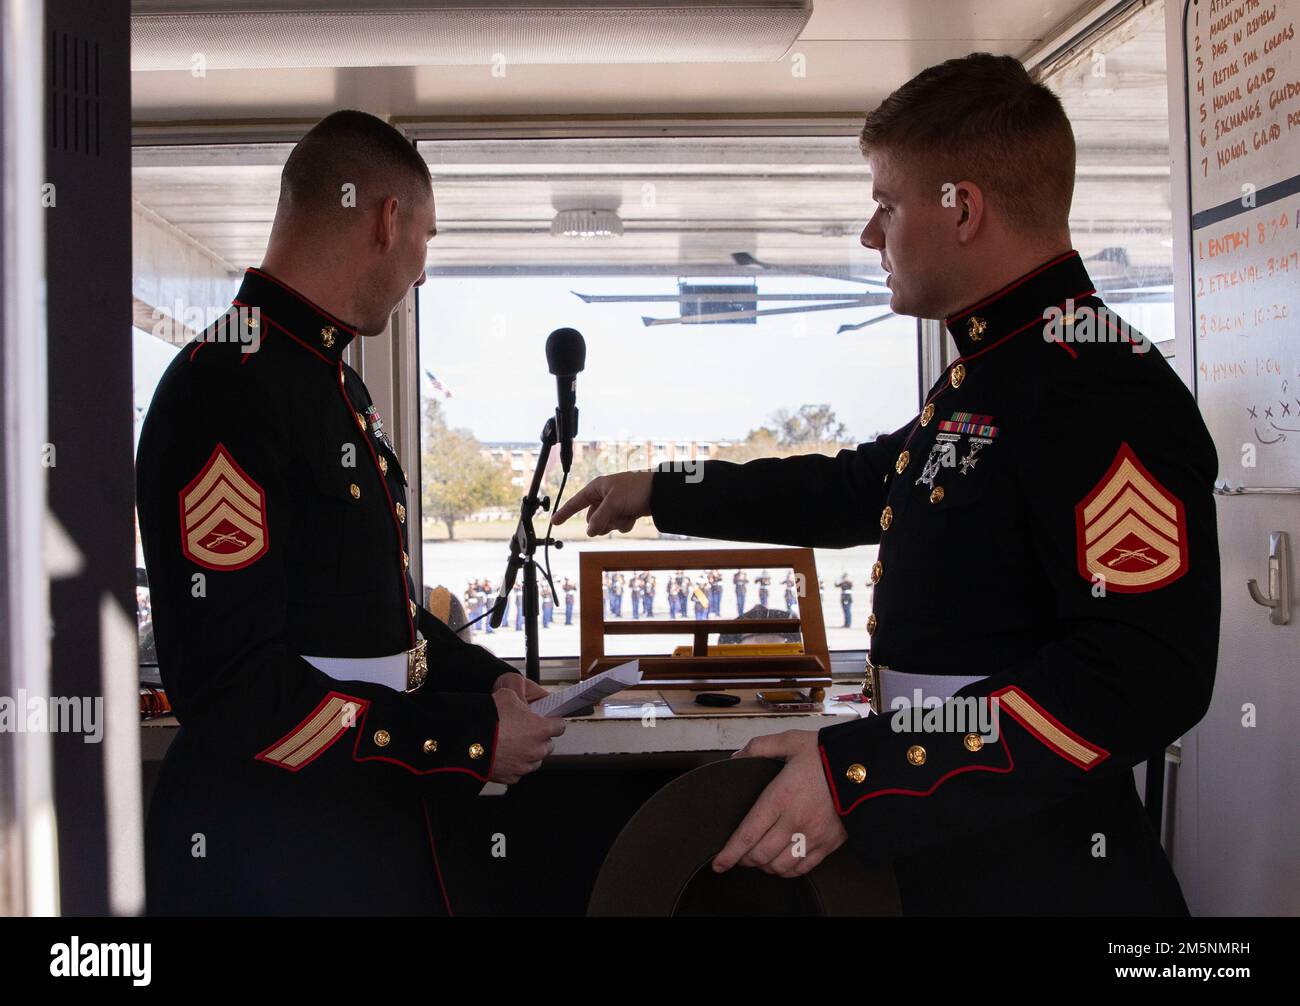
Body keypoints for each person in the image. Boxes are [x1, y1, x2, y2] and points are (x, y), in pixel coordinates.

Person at [553, 54, 1220, 916]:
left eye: (886, 204)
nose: (872, 236)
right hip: (951, 840)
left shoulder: (1095, 382)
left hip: (1044, 868)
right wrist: (666, 488)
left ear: (963, 209)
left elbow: (1138, 673)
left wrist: (864, 770)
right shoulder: (993, 373)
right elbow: (864, 485)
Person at [136, 110, 564, 915]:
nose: (423, 273)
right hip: (273, 856)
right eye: (427, 240)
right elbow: (233, 689)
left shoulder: (327, 378)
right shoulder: (224, 385)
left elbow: (374, 620)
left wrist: (494, 680)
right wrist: (464, 741)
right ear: (388, 220)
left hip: (357, 831)